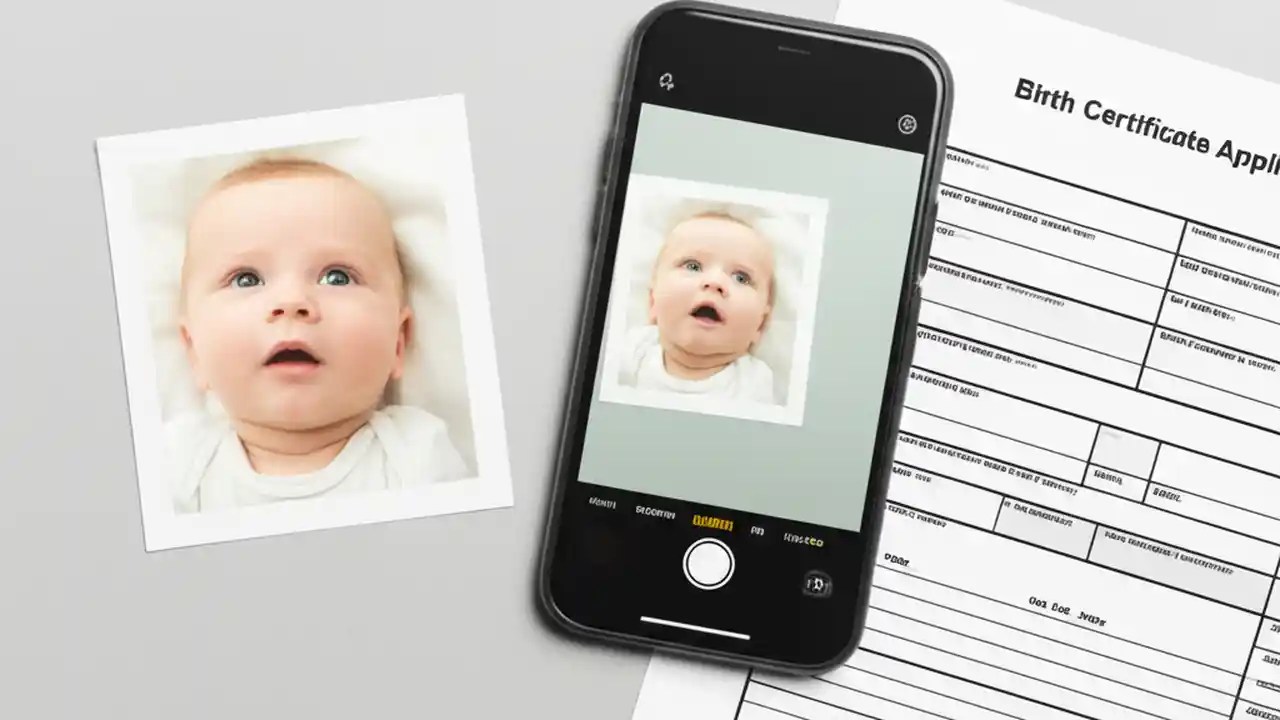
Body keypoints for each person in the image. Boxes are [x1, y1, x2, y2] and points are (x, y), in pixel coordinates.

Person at [165, 156, 467, 513]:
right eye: (246, 279)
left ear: (398, 343)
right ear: (194, 352)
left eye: (337, 277)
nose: (292, 302)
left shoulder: (418, 457)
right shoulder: (176, 466)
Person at [619, 209, 777, 404]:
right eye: (693, 266)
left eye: (741, 278)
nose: (715, 282)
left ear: (760, 325)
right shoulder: (633, 349)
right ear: (653, 302)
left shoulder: (754, 383)